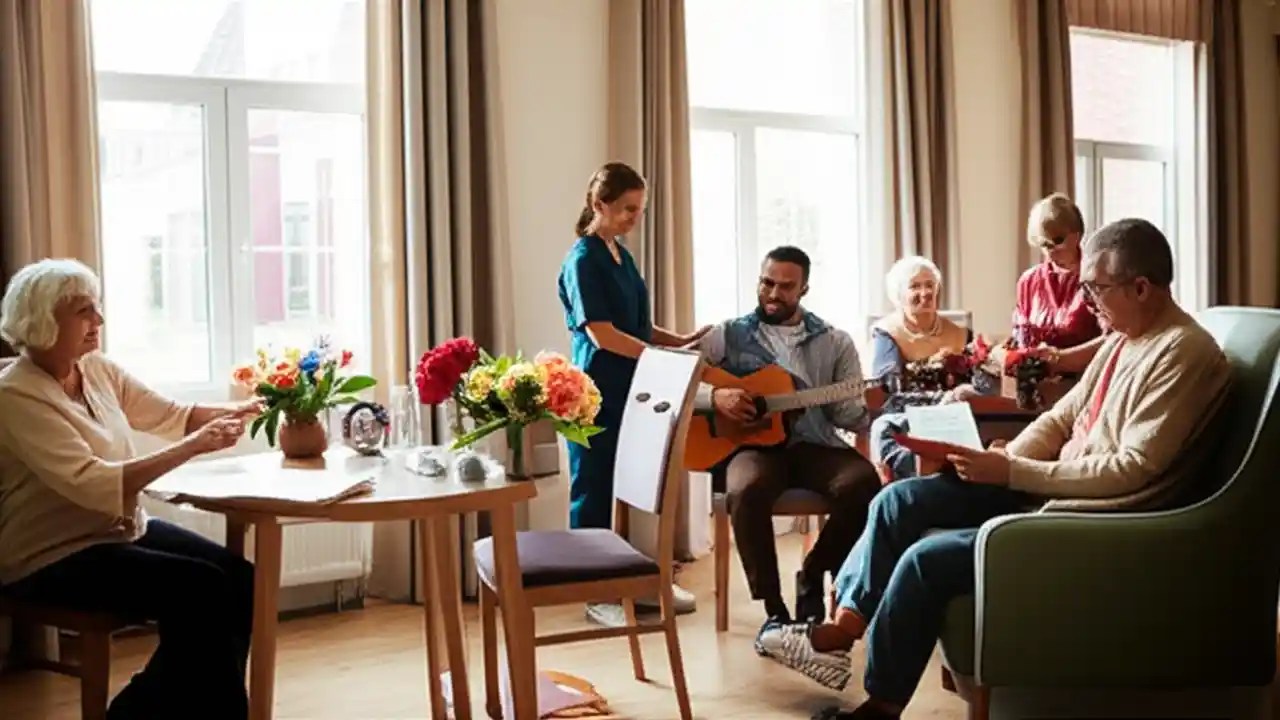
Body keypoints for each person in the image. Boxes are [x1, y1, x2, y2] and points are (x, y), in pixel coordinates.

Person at [757, 219, 1232, 718]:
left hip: (1090, 516)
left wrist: (1012, 474)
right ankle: (839, 633)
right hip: (1054, 488)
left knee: (925, 559)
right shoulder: (1123, 335)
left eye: (1097, 290)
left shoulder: (1185, 351)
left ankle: (881, 706)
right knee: (898, 499)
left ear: (1141, 287)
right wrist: (1007, 459)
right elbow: (1060, 417)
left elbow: (1134, 468)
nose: (1089, 303)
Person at [0, 259, 265, 719]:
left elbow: (171, 414)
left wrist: (245, 408)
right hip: (49, 553)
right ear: (42, 321)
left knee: (241, 579)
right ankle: (144, 712)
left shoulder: (97, 369)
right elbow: (91, 481)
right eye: (84, 311)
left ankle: (189, 710)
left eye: (97, 308)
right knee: (201, 590)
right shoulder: (15, 396)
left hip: (115, 530)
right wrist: (194, 447)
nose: (98, 321)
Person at [692, 246, 881, 645]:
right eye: (767, 283)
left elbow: (849, 417)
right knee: (746, 490)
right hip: (753, 448)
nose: (774, 294)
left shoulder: (835, 342)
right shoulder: (727, 334)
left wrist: (861, 405)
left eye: (786, 286)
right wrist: (717, 398)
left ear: (805, 288)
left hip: (815, 445)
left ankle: (813, 572)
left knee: (863, 483)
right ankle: (774, 611)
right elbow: (675, 378)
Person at [556, 162, 709, 625]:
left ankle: (638, 582)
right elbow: (602, 333)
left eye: (639, 210)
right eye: (626, 209)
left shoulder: (621, 255)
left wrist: (678, 341)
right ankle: (596, 593)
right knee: (595, 489)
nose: (634, 218)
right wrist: (659, 359)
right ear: (598, 205)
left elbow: (636, 327)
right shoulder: (582, 260)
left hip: (634, 390)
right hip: (596, 393)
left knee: (637, 486)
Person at [866, 256, 996, 481]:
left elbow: (979, 383)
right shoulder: (887, 333)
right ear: (899, 295)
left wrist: (990, 363)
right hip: (908, 413)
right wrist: (939, 399)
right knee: (884, 428)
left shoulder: (960, 333)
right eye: (915, 286)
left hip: (956, 413)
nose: (925, 293)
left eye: (929, 285)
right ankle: (914, 480)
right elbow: (888, 390)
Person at [1007, 193, 1107, 375]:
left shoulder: (1098, 279)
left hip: (1086, 379)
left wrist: (1061, 359)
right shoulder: (1028, 281)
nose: (1051, 253)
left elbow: (1112, 340)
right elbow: (1017, 339)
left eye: (1058, 241)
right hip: (1036, 384)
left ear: (1077, 235)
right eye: (1045, 245)